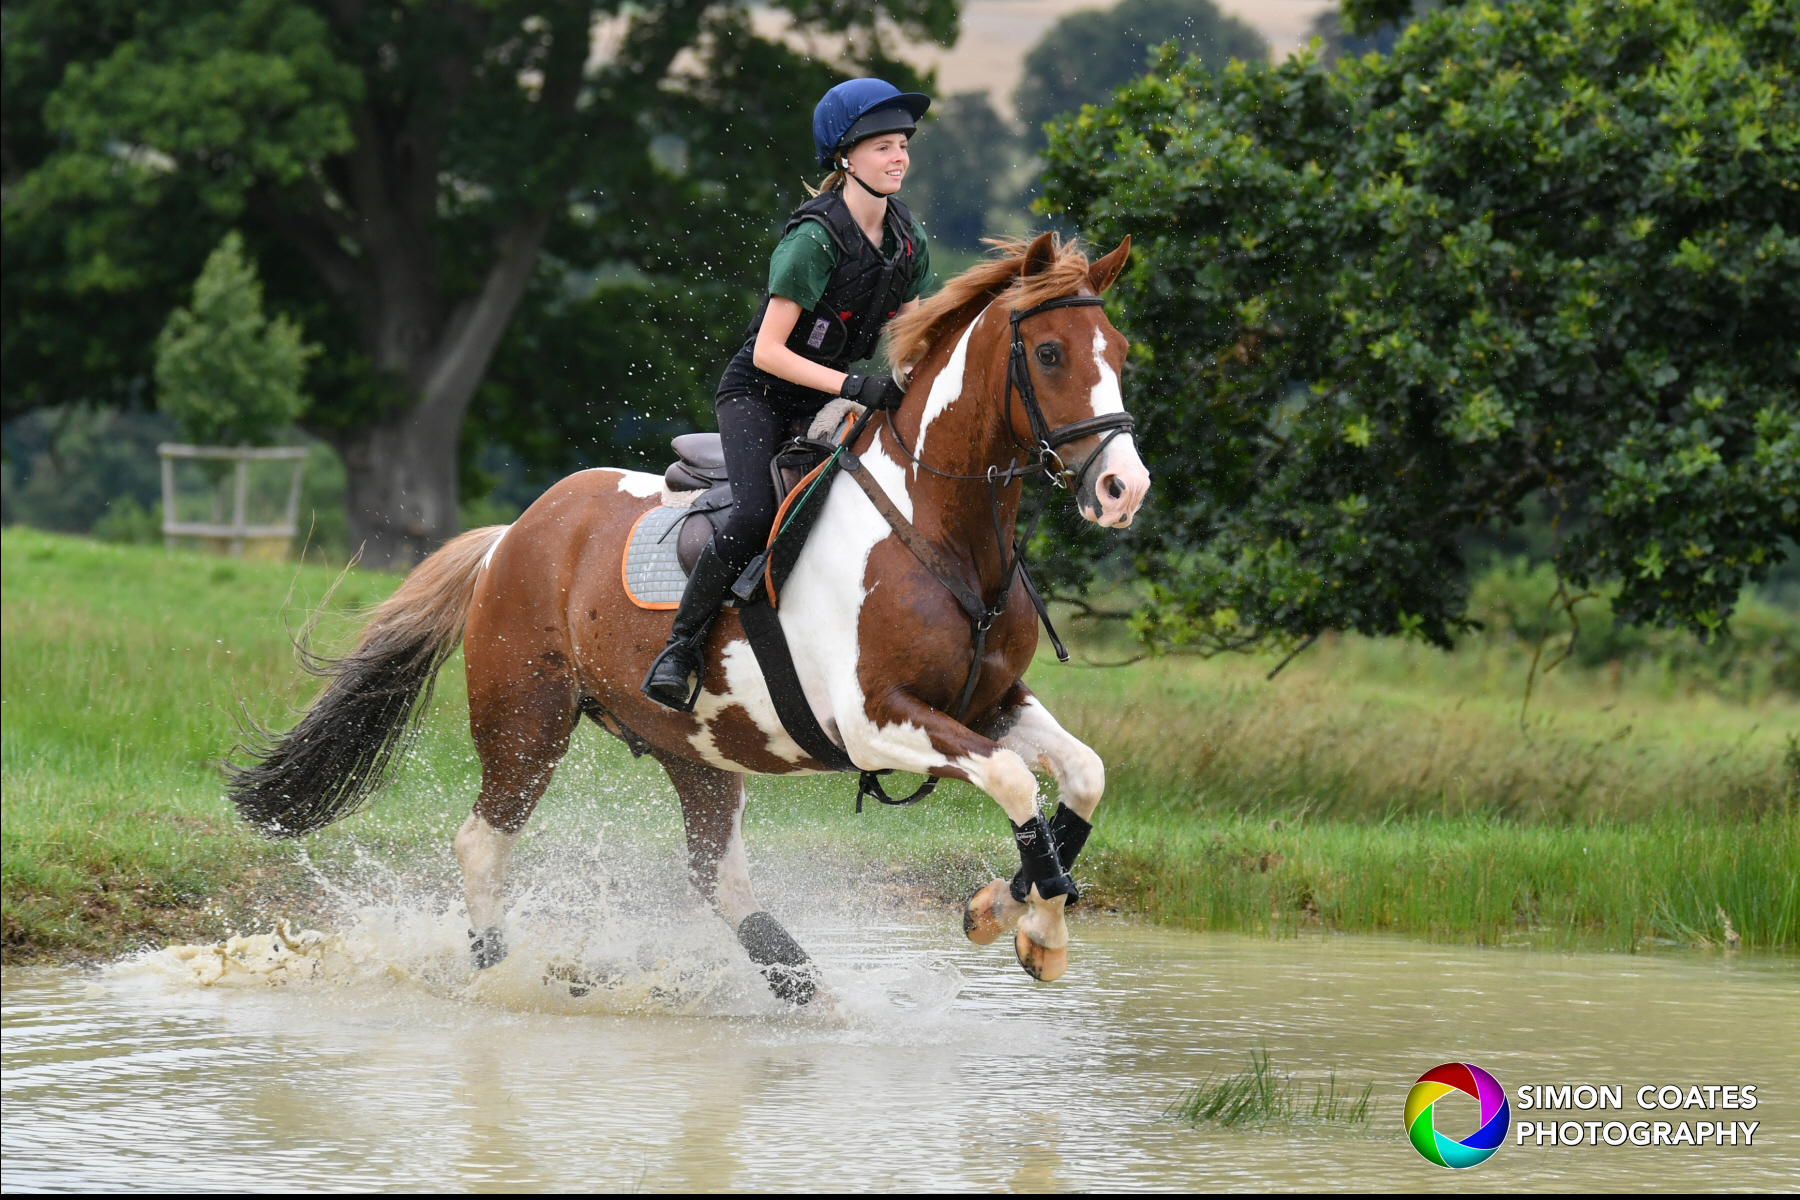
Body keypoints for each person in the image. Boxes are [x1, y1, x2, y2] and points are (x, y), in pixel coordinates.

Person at [641, 78, 935, 710]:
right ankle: (680, 648)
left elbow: (911, 335)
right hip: (759, 395)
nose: (899, 158)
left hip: (826, 399)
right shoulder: (813, 240)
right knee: (752, 515)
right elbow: (770, 352)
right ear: (844, 158)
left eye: (903, 145)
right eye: (883, 146)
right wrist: (858, 385)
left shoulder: (909, 239)